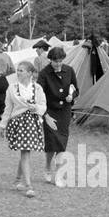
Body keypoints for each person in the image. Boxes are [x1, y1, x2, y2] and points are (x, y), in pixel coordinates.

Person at [0, 58, 47, 197]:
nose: (18, 73)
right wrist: (3, 125)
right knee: (25, 152)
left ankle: (20, 181)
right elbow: (8, 108)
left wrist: (36, 108)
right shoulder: (12, 88)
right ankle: (28, 185)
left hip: (32, 123)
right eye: (17, 70)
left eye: (21, 71)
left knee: (25, 152)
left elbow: (43, 106)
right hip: (18, 124)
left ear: (29, 73)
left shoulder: (37, 88)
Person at [37, 46, 79, 185]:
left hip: (64, 112)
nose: (58, 64)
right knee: (51, 142)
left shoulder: (69, 70)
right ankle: (48, 167)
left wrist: (71, 96)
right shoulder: (44, 74)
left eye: (60, 61)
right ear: (50, 60)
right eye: (55, 61)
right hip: (49, 111)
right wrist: (45, 114)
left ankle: (59, 175)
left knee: (62, 142)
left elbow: (76, 89)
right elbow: (39, 94)